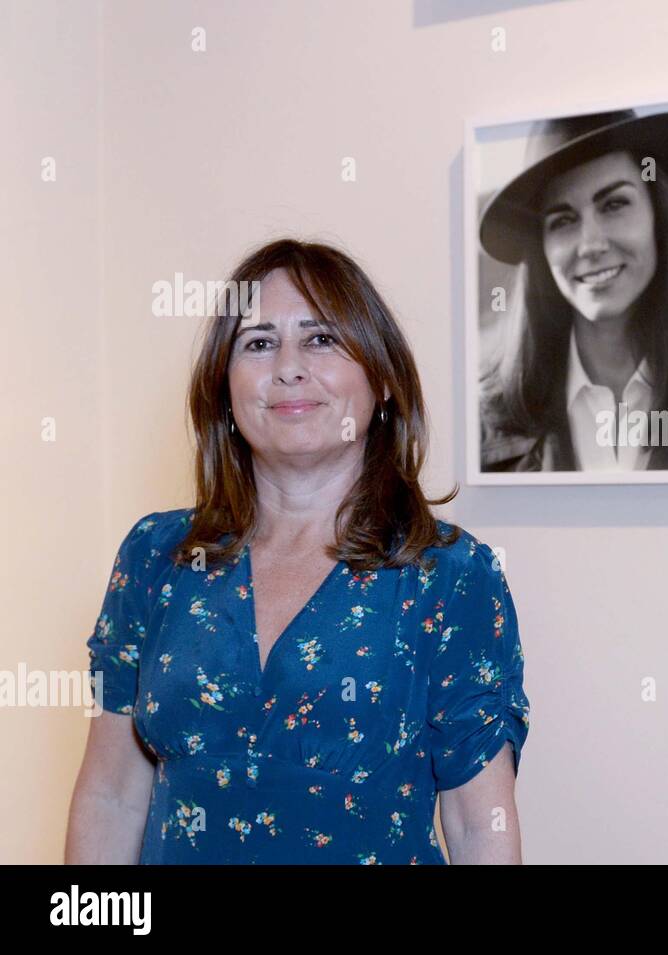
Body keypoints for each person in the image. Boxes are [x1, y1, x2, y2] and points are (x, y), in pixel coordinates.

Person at [66, 239, 530, 864]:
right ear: (224, 390)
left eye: (320, 339)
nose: (288, 367)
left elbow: (482, 826)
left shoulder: (449, 575)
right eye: (258, 342)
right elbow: (112, 795)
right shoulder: (156, 557)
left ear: (384, 378)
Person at [477, 109, 668, 471]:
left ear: (658, 215)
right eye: (563, 220)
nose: (590, 244)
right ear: (542, 249)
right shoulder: (493, 423)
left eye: (613, 204)